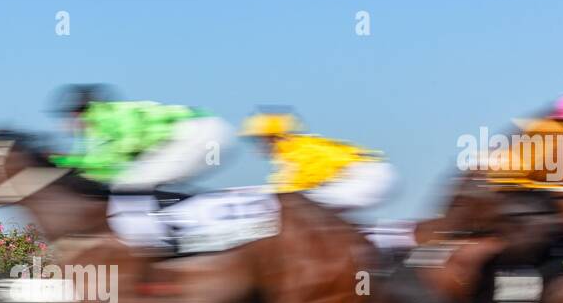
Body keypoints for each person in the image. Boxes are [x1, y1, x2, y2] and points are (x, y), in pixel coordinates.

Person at [50, 84, 233, 250]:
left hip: (201, 135)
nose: (67, 123)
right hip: (208, 133)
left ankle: (173, 242)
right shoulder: (101, 120)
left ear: (80, 111)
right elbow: (93, 164)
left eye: (69, 116)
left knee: (130, 185)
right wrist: (67, 163)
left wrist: (63, 163)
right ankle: (190, 226)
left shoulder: (103, 115)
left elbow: (112, 159)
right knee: (138, 182)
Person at [239, 109, 398, 213]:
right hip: (371, 173)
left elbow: (285, 192)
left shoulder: (294, 151)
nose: (256, 144)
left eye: (258, 139)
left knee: (297, 206)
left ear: (272, 138)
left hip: (369, 177)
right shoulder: (295, 147)